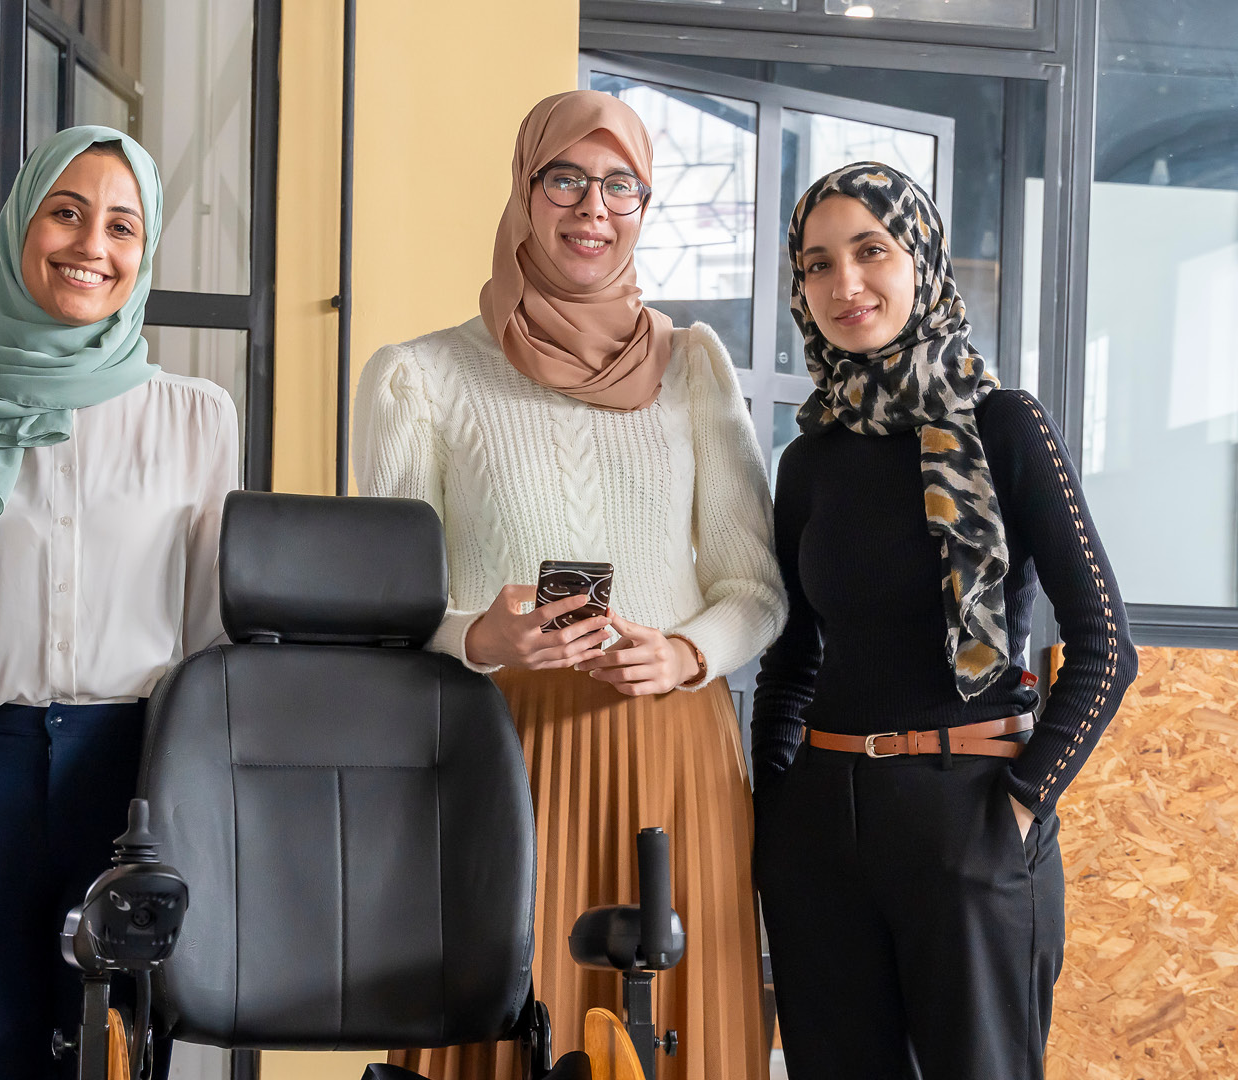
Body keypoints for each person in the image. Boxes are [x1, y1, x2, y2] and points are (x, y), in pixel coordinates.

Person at [356, 90, 784, 1080]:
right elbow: (382, 608)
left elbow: (754, 587)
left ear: (644, 204)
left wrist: (682, 652)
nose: (593, 207)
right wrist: (484, 640)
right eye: (566, 180)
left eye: (620, 185)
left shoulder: (696, 367)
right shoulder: (419, 378)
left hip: (674, 760)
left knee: (672, 1037)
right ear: (525, 191)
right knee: (498, 1032)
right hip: (497, 754)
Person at [753, 162, 1136, 1080]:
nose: (845, 285)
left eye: (870, 251)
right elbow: (790, 657)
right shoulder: (810, 459)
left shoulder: (1005, 426)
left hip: (968, 810)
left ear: (919, 259)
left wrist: (1021, 802)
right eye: (816, 265)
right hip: (821, 829)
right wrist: (775, 806)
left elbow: (1104, 647)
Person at [0, 126, 238, 1079]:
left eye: (123, 226)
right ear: (21, 228)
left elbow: (212, 626)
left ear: (147, 249)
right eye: (67, 212)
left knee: (113, 1057)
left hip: (132, 771)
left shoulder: (196, 417)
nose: (93, 246)